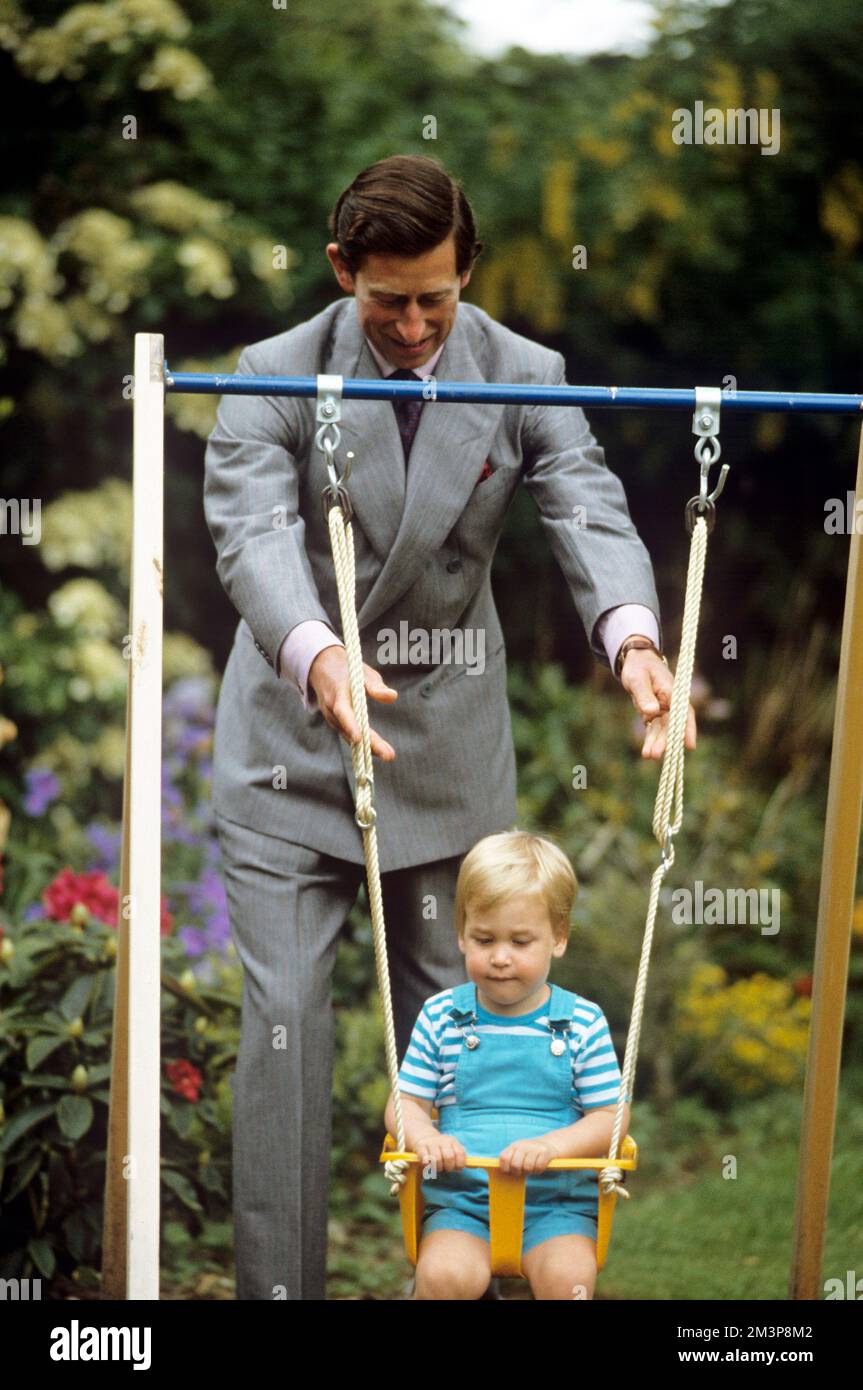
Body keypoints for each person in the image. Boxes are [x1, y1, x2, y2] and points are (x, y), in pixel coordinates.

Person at [203, 152, 695, 1300]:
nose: (416, 324)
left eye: (438, 295)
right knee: (285, 1032)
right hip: (288, 744)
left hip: (442, 759)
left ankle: (480, 1280)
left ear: (466, 269)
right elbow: (250, 538)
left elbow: (584, 503)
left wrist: (633, 641)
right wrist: (320, 653)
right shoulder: (272, 373)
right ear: (341, 272)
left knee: (468, 1040)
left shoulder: (523, 372)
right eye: (388, 301)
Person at [385, 828, 627, 1301]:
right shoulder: (442, 1016)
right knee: (442, 1278)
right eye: (483, 939)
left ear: (558, 939)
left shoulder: (582, 1022)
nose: (499, 957)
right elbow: (404, 1104)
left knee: (569, 1281)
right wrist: (428, 1138)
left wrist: (551, 1145)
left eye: (520, 942)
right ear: (460, 935)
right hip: (462, 1205)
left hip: (557, 1207)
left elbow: (610, 1120)